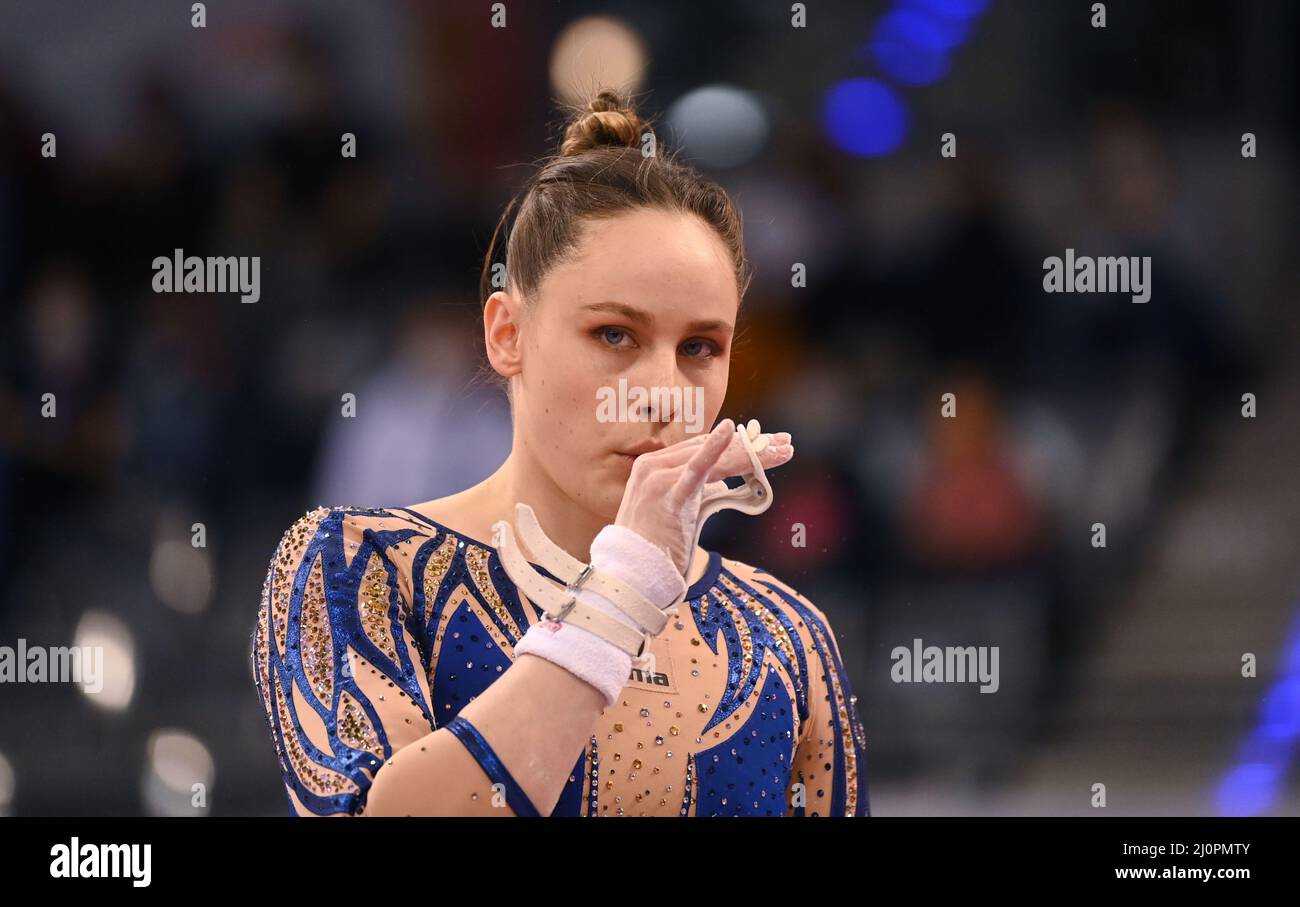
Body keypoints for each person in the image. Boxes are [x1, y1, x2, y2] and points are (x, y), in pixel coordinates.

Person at [251, 89, 870, 816]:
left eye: (700, 347)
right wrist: (618, 598)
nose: (661, 391)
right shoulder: (360, 565)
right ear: (507, 334)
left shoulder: (783, 636)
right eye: (615, 334)